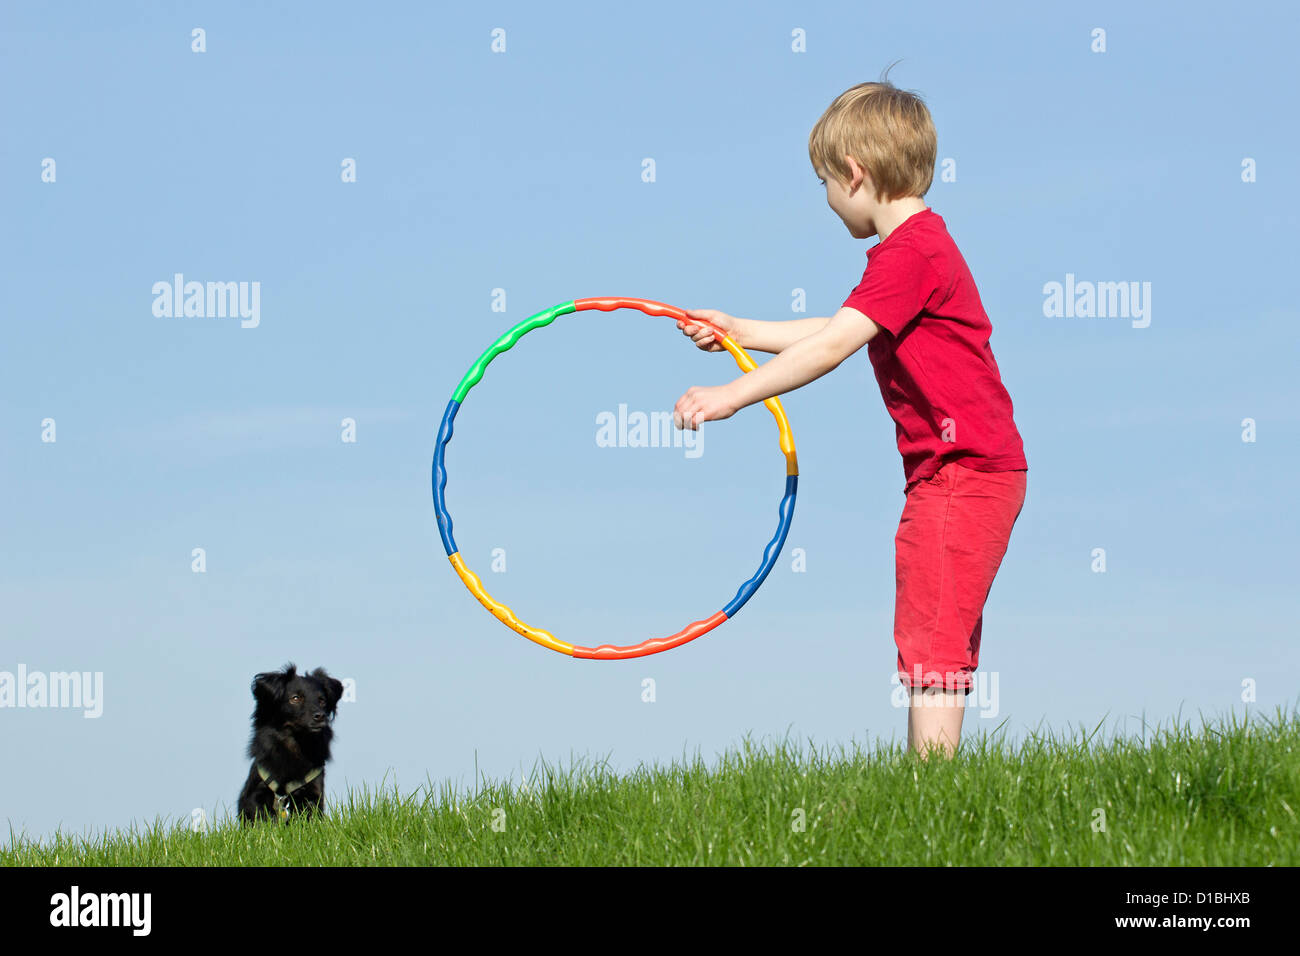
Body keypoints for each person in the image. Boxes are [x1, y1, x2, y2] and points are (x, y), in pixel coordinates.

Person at [672, 75, 1028, 760]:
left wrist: (730, 396)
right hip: (967, 471)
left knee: (931, 627)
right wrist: (738, 329)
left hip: (962, 473)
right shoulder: (916, 252)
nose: (828, 200)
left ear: (854, 174)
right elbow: (841, 325)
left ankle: (933, 790)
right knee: (939, 622)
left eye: (825, 183)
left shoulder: (911, 253)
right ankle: (937, 784)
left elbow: (834, 345)